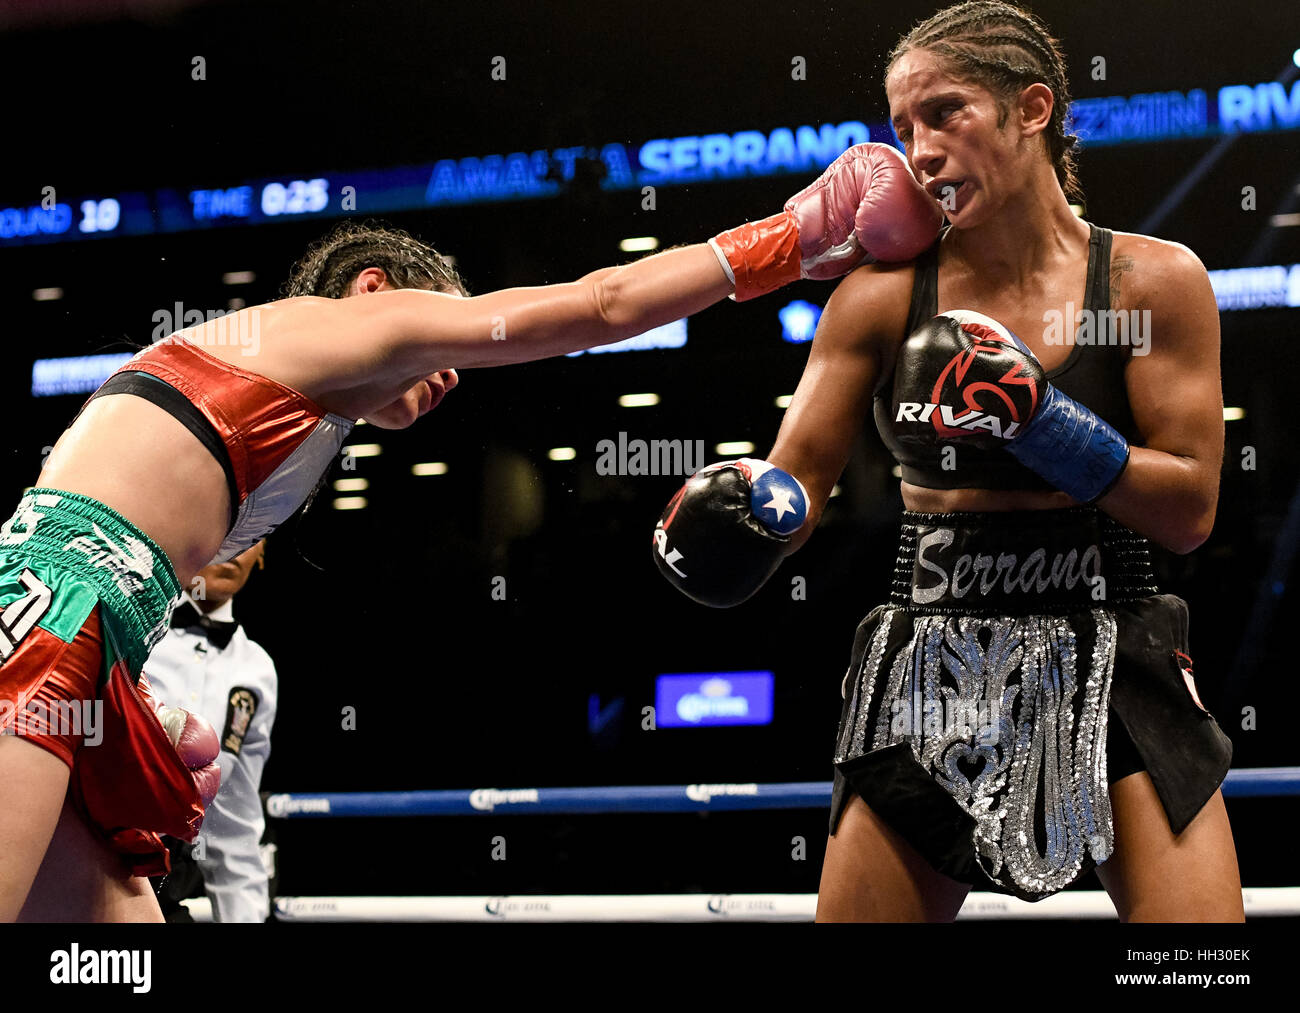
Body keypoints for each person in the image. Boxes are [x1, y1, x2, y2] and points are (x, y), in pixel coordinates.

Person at [0, 148, 941, 922]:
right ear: (377, 291)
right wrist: (791, 237)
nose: (452, 365)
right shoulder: (322, 326)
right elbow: (602, 304)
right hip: (52, 611)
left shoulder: (294, 413)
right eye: (439, 331)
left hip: (90, 633)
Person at [653, 1, 1242, 922]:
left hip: (1115, 644)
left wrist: (1040, 419)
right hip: (933, 650)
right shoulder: (879, 298)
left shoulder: (1150, 281)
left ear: (1032, 108)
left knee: (1195, 969)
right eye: (901, 127)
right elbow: (796, 478)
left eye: (945, 112)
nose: (918, 149)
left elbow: (1190, 508)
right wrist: (746, 510)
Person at [145, 539, 276, 923]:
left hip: (166, 889)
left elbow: (232, 820)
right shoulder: (132, 627)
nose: (236, 552)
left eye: (252, 540)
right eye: (228, 536)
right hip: (82, 861)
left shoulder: (257, 671)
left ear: (263, 553)